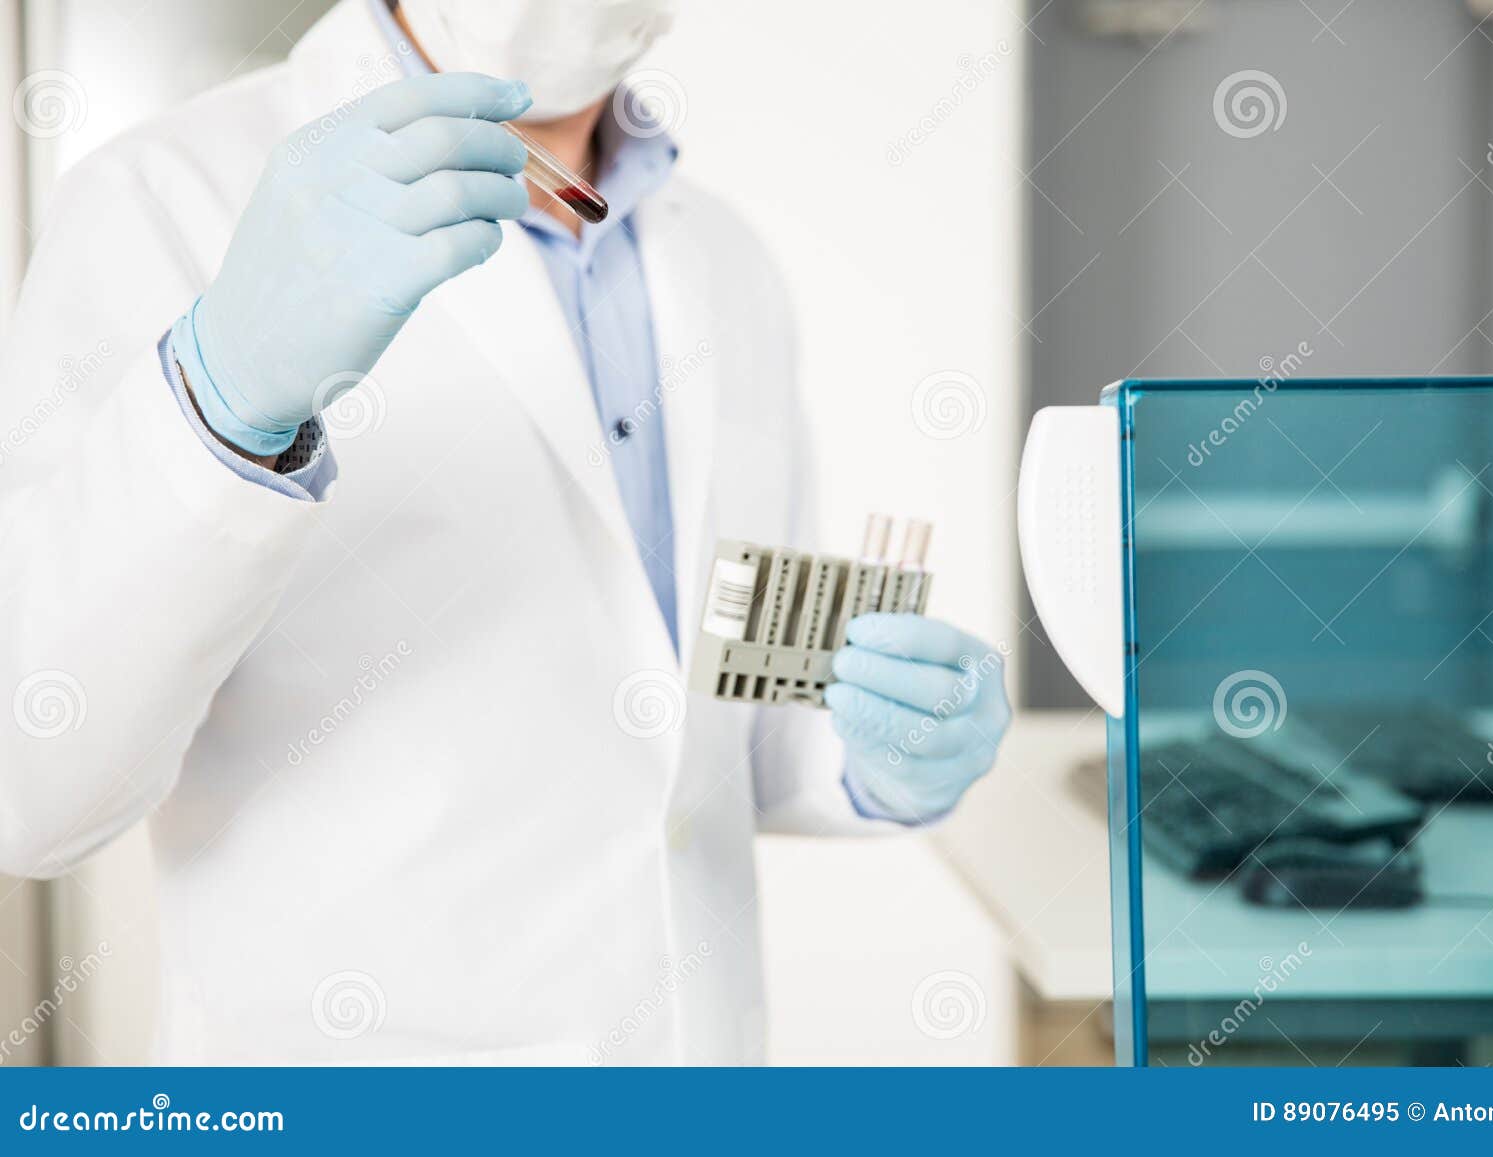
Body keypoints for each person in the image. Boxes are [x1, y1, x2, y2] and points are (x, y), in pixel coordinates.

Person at [0, 0, 1011, 1064]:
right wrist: (224, 394)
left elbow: (722, 713)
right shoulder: (161, 198)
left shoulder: (721, 255)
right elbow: (34, 788)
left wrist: (874, 752)